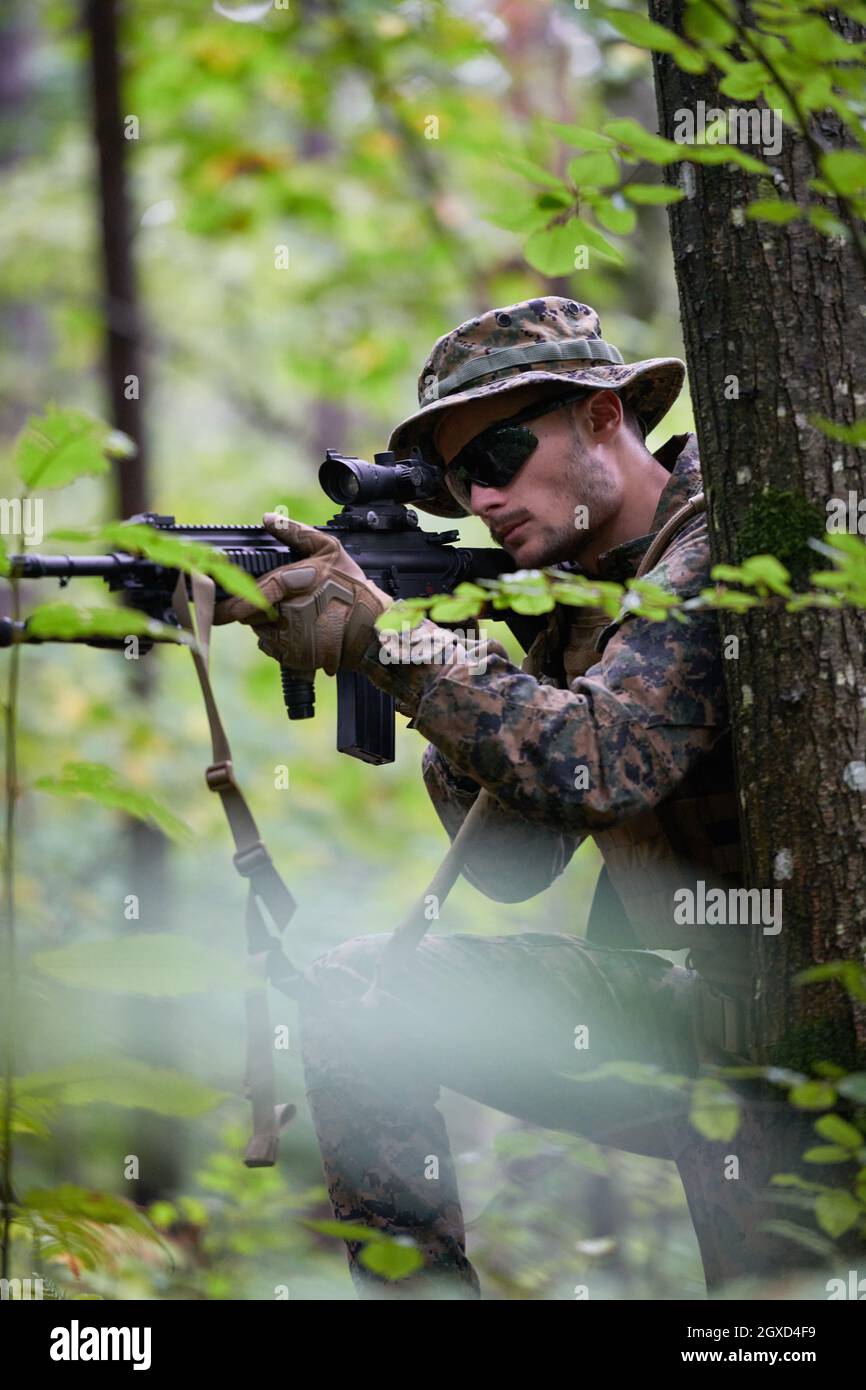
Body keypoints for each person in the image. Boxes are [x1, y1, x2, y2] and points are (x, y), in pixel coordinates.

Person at [215, 297, 749, 1299]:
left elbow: (597, 759)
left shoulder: (719, 536)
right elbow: (508, 866)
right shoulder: (567, 607)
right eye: (462, 477)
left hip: (812, 1030)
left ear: (601, 416)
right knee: (359, 994)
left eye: (503, 450)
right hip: (704, 1022)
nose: (485, 492)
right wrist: (439, 657)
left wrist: (396, 644)